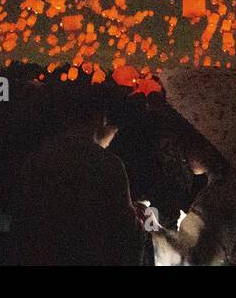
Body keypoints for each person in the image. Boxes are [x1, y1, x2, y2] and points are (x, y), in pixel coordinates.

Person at [10, 87, 145, 265]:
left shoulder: (39, 156)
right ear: (102, 120)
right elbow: (126, 235)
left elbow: (21, 219)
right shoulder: (107, 164)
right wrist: (140, 221)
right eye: (115, 131)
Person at [154, 130, 236, 266]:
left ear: (213, 145)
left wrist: (148, 231)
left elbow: (184, 256)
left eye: (196, 140)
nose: (185, 153)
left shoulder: (218, 194)